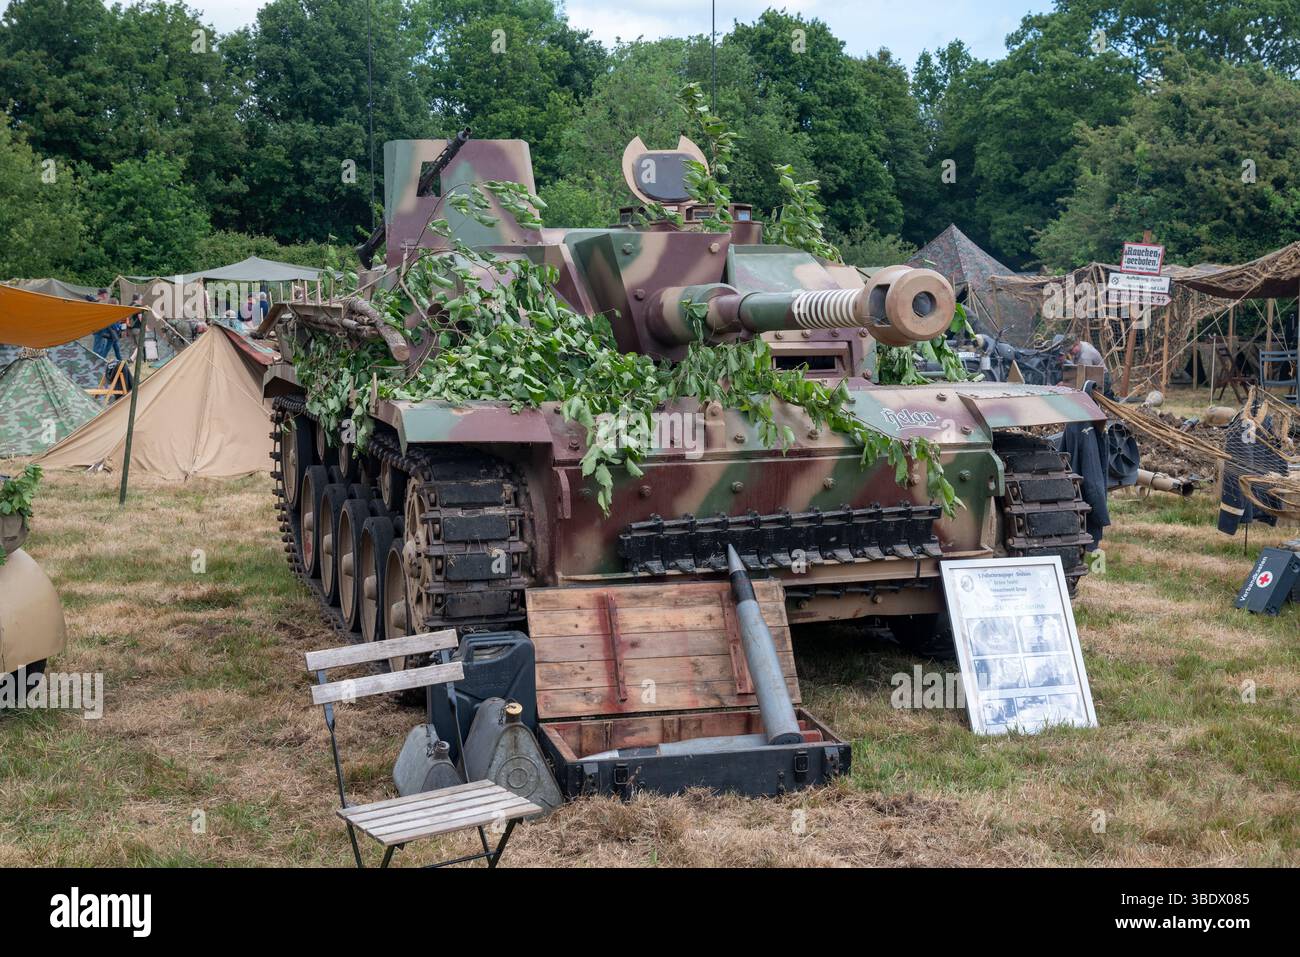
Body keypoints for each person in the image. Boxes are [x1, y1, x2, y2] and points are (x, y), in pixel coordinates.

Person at [91, 289, 122, 362]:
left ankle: (98, 361)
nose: (107, 296)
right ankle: (96, 362)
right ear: (103, 294)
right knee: (99, 349)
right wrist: (116, 328)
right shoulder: (100, 303)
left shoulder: (99, 302)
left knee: (103, 348)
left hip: (103, 330)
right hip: (101, 330)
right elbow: (107, 319)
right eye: (106, 294)